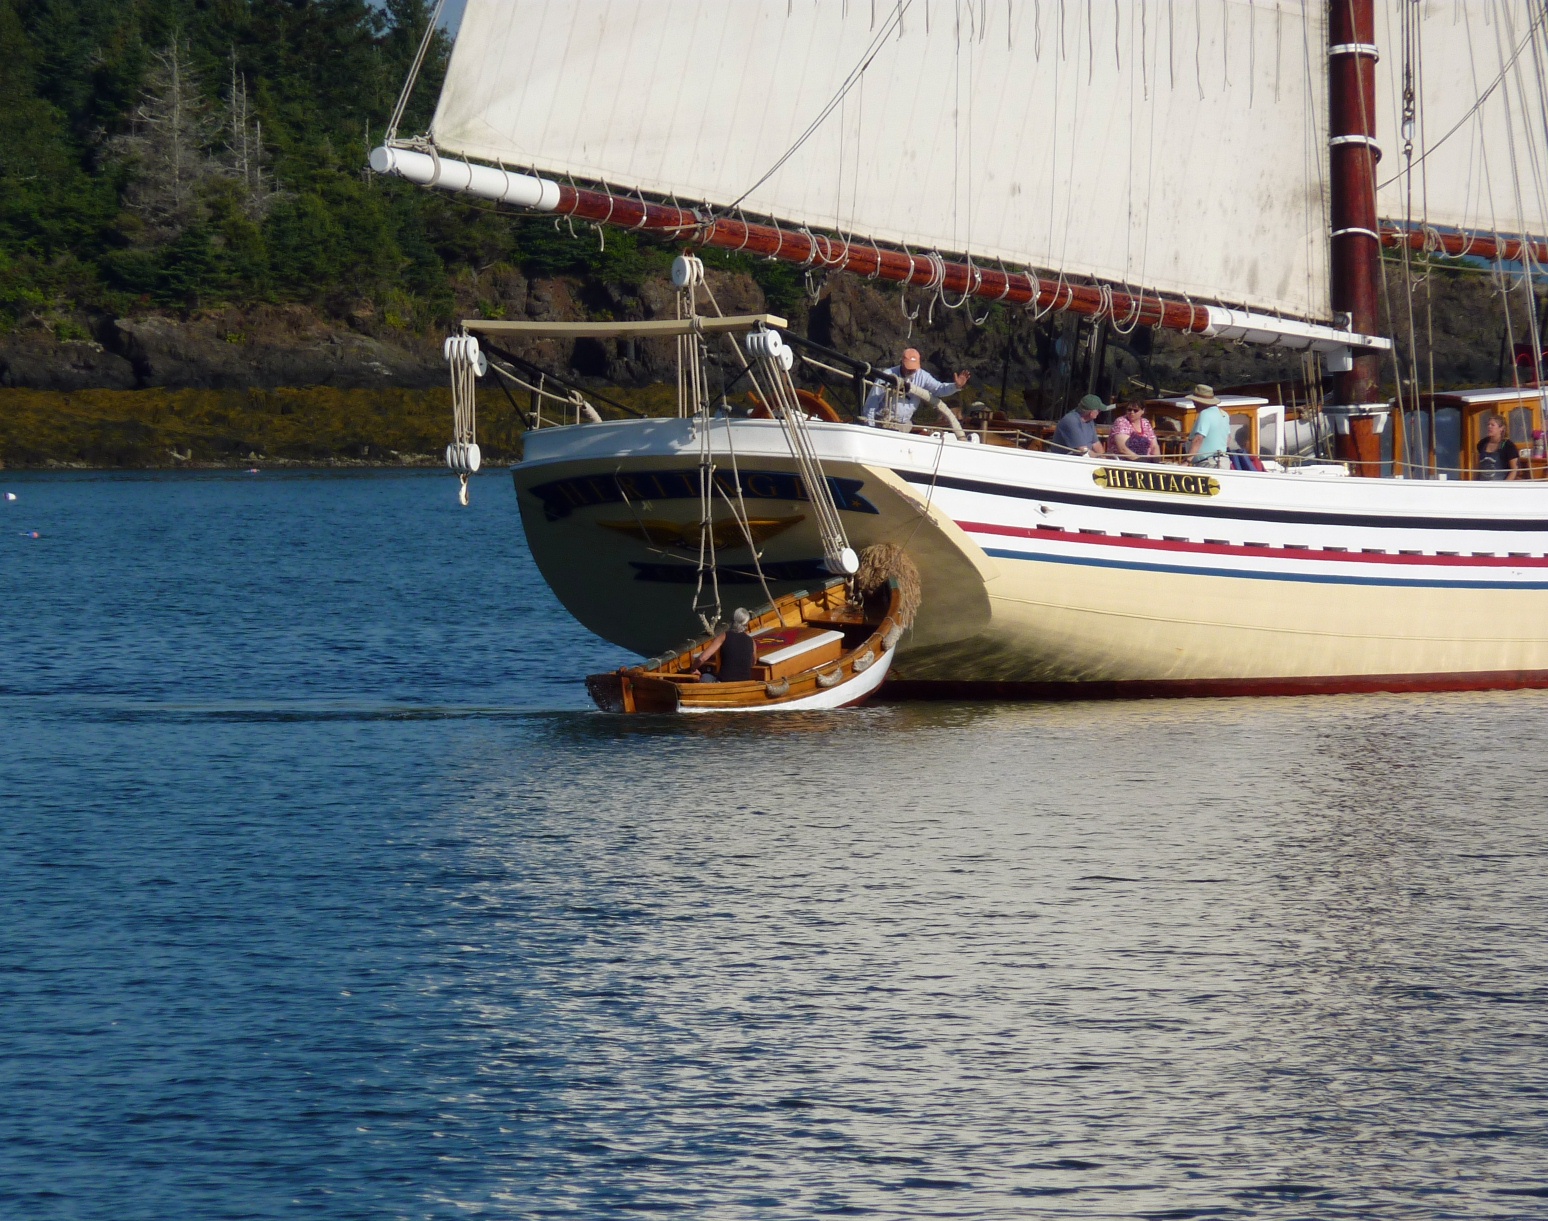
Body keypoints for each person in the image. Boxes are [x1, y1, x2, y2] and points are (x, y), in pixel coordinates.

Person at [862, 348, 970, 427]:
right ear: (902, 363)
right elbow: (871, 404)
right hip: (882, 422)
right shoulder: (887, 375)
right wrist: (870, 427)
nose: (911, 371)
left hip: (905, 424)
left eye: (913, 369)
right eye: (908, 368)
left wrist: (956, 386)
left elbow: (939, 389)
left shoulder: (923, 376)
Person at [693, 607, 757, 682]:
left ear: (732, 620)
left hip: (725, 683)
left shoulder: (724, 636)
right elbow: (753, 662)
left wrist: (693, 669)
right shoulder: (751, 641)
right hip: (744, 684)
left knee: (704, 677)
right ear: (746, 623)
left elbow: (702, 658)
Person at [1186, 385, 1231, 468]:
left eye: (1195, 401)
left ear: (1200, 402)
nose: (1194, 404)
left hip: (1208, 463)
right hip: (1223, 461)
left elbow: (1198, 439)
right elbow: (1228, 439)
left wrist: (1187, 461)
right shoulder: (1224, 414)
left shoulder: (1205, 414)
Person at [1476, 412, 1522, 480]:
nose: (1489, 427)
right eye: (1488, 424)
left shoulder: (1508, 446)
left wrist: (1504, 486)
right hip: (1483, 485)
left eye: (1492, 425)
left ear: (1501, 428)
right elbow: (1478, 466)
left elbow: (1514, 469)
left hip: (1500, 485)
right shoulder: (1482, 443)